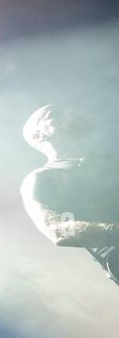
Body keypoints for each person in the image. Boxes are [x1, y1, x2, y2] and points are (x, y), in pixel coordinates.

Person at [20, 103, 118, 285]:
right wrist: (113, 230)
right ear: (38, 135)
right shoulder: (43, 177)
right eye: (55, 114)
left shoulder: (107, 162)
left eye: (69, 109)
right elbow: (57, 229)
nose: (70, 112)